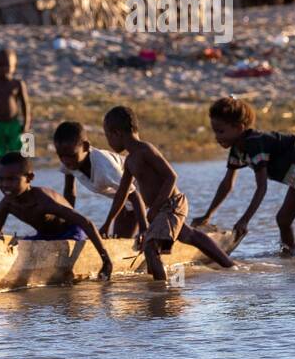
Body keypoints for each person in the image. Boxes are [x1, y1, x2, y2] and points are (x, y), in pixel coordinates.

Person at [100, 105, 236, 282]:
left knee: (150, 247)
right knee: (188, 235)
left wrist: (155, 208)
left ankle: (162, 292)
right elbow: (122, 195)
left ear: (117, 133)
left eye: (107, 135)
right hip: (163, 209)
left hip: (171, 204)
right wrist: (107, 223)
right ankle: (229, 265)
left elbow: (171, 176)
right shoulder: (130, 161)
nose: (108, 141)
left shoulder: (145, 150)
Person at [196, 96, 295, 256]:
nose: (217, 137)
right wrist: (207, 215)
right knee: (283, 220)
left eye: (221, 131)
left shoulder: (255, 145)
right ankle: (290, 258)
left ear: (239, 128)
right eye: (215, 131)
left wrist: (245, 220)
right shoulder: (237, 149)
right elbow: (227, 184)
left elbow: (262, 187)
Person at [0, 153, 112, 279]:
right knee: (20, 247)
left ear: (29, 178)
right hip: (44, 236)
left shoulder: (44, 201)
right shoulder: (6, 204)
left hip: (70, 233)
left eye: (12, 179)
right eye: (1, 179)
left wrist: (106, 261)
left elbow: (85, 223)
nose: (5, 184)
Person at [53, 120, 144, 238]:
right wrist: (67, 221)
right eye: (61, 156)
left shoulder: (104, 166)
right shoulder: (70, 162)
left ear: (85, 147)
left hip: (144, 190)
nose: (66, 161)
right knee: (118, 239)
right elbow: (70, 192)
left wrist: (143, 228)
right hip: (124, 199)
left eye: (71, 155)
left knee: (126, 240)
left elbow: (135, 195)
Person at [0, 48, 28, 167]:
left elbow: (25, 105)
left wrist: (26, 122)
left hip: (14, 123)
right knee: (0, 153)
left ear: (14, 66)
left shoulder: (17, 84)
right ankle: (1, 176)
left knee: (19, 151)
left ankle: (20, 173)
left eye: (7, 65)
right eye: (0, 65)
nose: (4, 69)